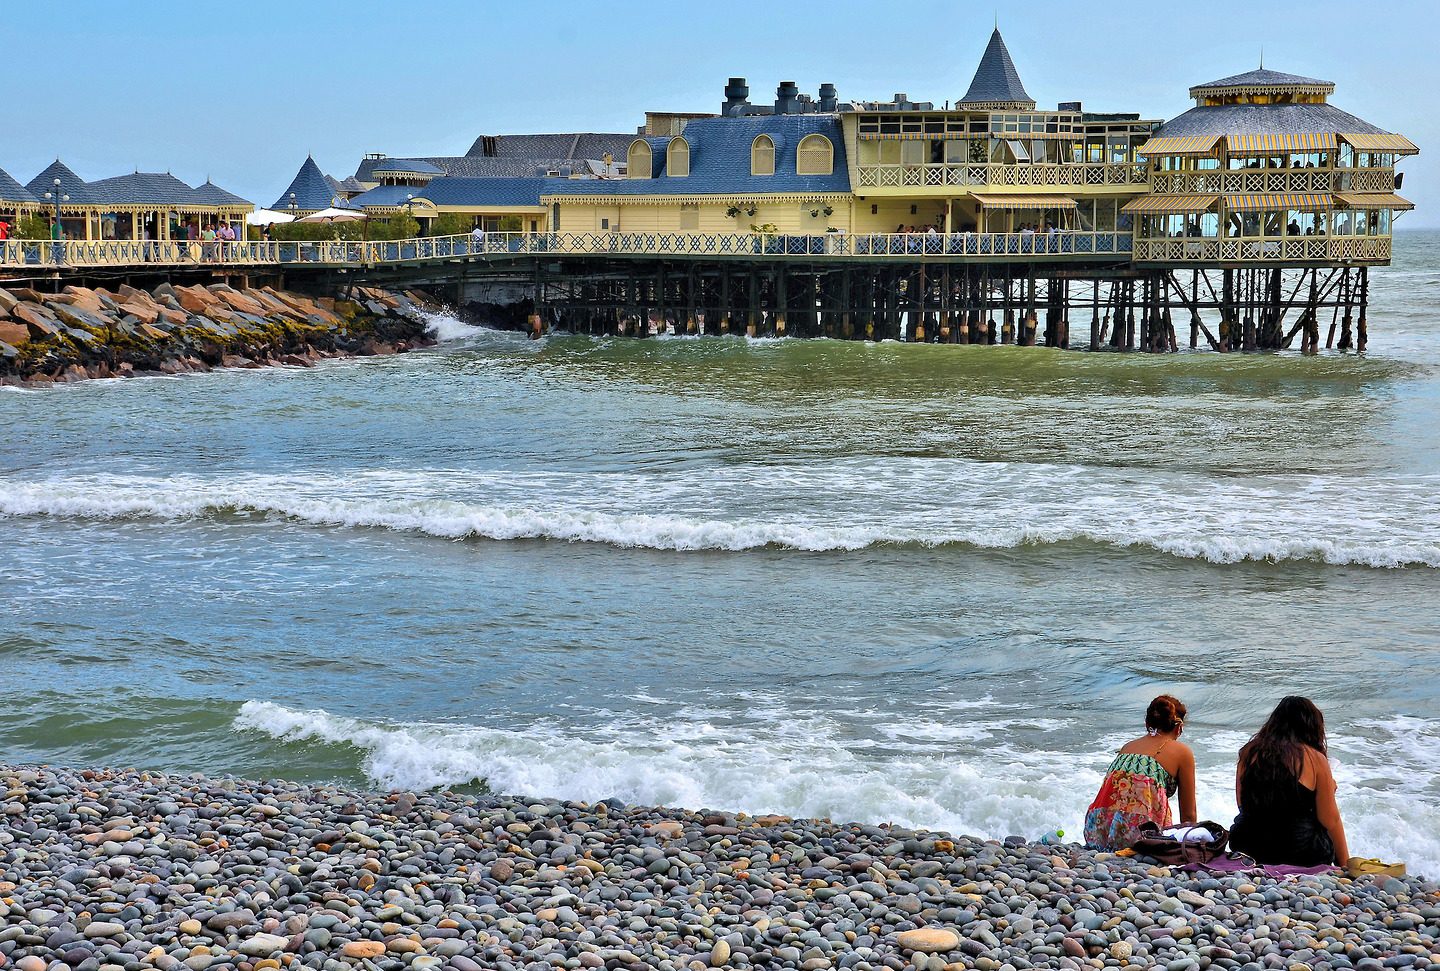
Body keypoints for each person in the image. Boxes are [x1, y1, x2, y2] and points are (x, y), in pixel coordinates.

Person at [1230, 697, 1349, 867]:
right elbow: (1330, 820)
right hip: (1301, 853)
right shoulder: (1315, 758)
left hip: (1248, 847)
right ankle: (1343, 865)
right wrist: (1328, 791)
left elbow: (1243, 805)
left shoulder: (1248, 753)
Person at [1084, 695, 1197, 850]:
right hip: (1141, 839)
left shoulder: (1127, 747)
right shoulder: (1183, 752)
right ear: (1179, 727)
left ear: (1147, 723)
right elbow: (1189, 816)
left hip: (1096, 833)